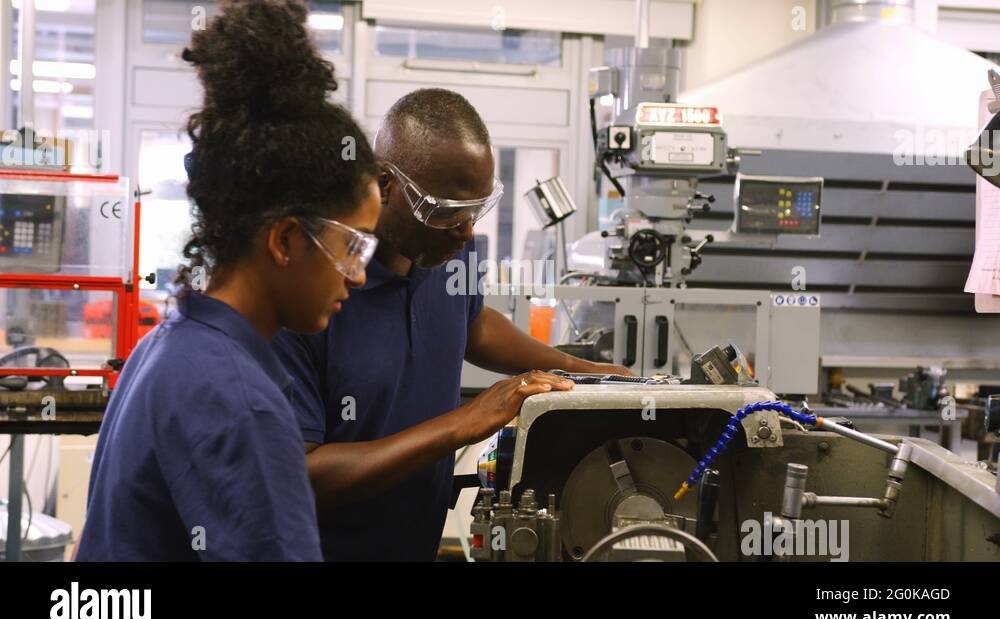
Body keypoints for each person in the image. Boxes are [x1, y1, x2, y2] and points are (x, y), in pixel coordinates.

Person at [76, 0, 381, 561]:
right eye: (351, 244)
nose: (358, 275)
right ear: (285, 240)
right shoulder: (241, 403)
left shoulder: (170, 348)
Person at [273, 88, 631, 561]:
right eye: (445, 212)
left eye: (475, 210)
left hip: (416, 540)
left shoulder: (444, 252)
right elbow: (300, 476)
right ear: (384, 184)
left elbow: (474, 323)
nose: (466, 233)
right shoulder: (315, 293)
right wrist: (463, 423)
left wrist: (583, 374)